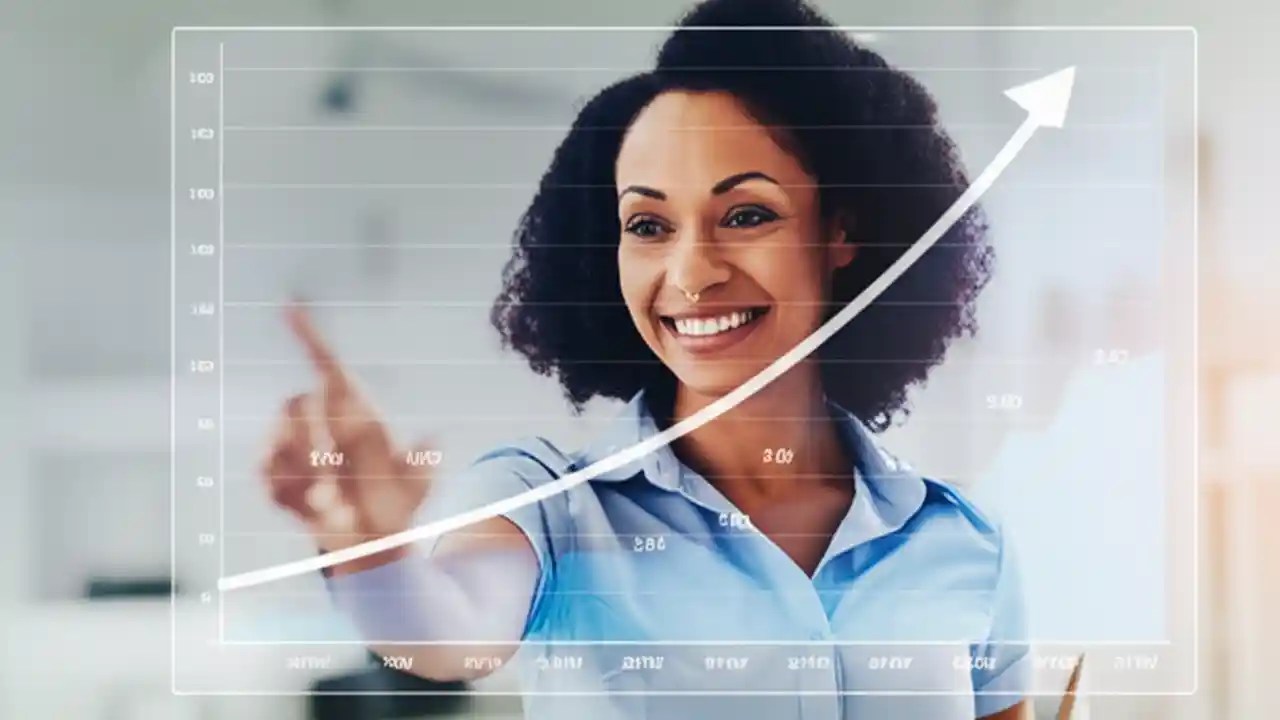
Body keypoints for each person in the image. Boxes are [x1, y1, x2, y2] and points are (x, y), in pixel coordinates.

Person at [261, 0, 1031, 717]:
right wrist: (366, 544)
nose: (692, 274)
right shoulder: (552, 508)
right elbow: (440, 632)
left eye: (747, 214)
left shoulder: (964, 541)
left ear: (842, 232)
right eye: (649, 225)